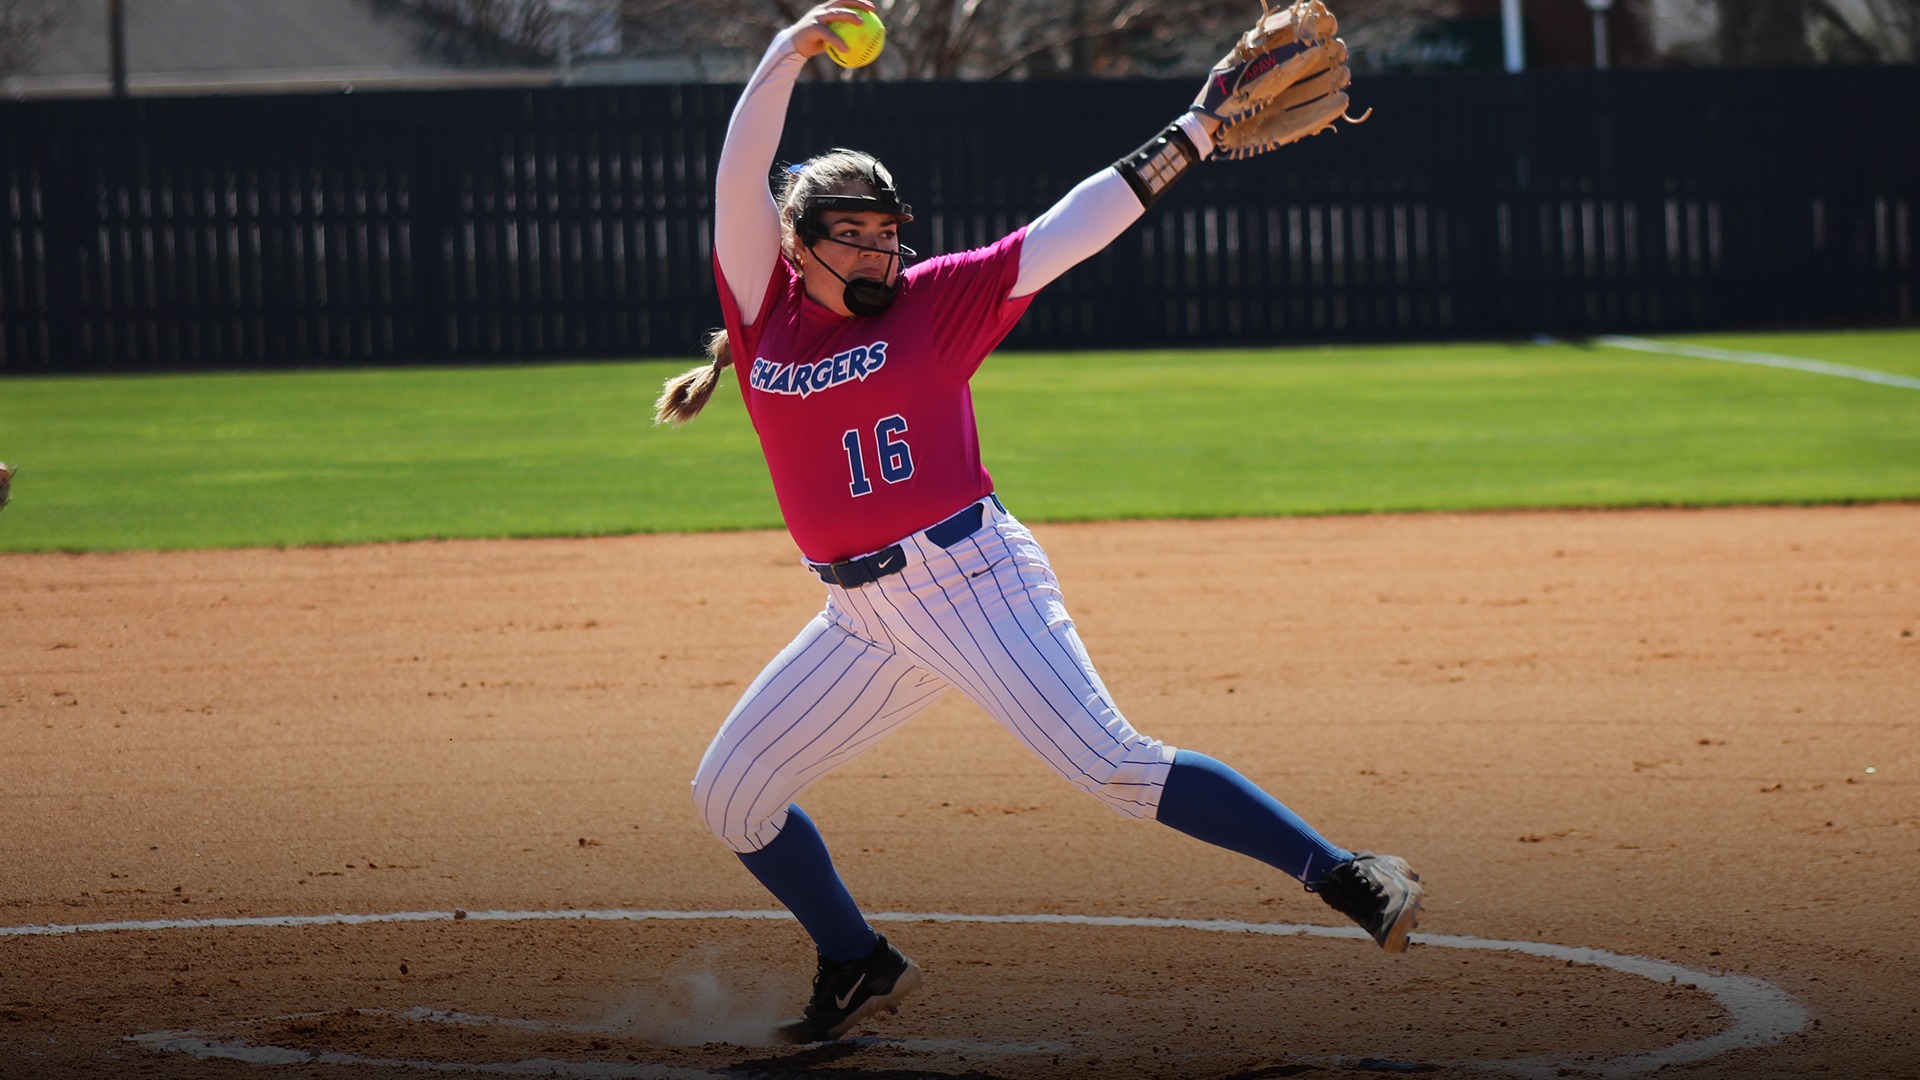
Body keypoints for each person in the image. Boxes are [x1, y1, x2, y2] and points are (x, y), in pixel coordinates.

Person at [656, 0, 1424, 1045]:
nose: (879, 252)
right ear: (799, 245)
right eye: (853, 235)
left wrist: (1198, 129)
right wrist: (790, 50)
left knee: (1114, 765)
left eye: (887, 233)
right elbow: (738, 174)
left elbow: (1074, 225)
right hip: (862, 621)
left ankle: (1345, 873)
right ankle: (858, 961)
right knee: (731, 795)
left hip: (973, 584)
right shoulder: (763, 315)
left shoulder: (939, 301)